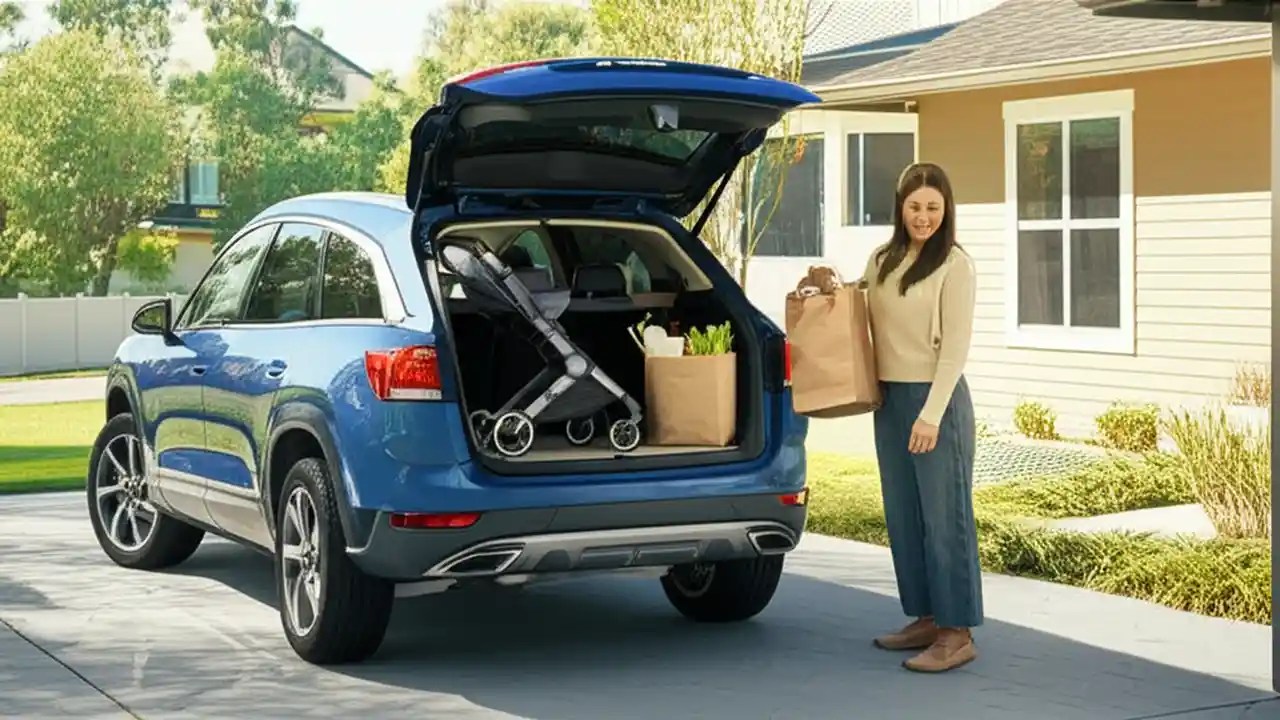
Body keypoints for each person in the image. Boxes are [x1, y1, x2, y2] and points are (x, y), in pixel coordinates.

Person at [860, 161, 981, 673]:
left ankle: (957, 633)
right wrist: (823, 283)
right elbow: (856, 302)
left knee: (944, 519)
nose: (924, 216)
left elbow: (955, 348)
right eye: (915, 206)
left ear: (946, 209)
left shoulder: (955, 265)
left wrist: (931, 415)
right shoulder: (882, 260)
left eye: (933, 207)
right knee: (905, 516)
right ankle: (928, 618)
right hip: (889, 400)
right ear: (900, 207)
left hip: (937, 403)